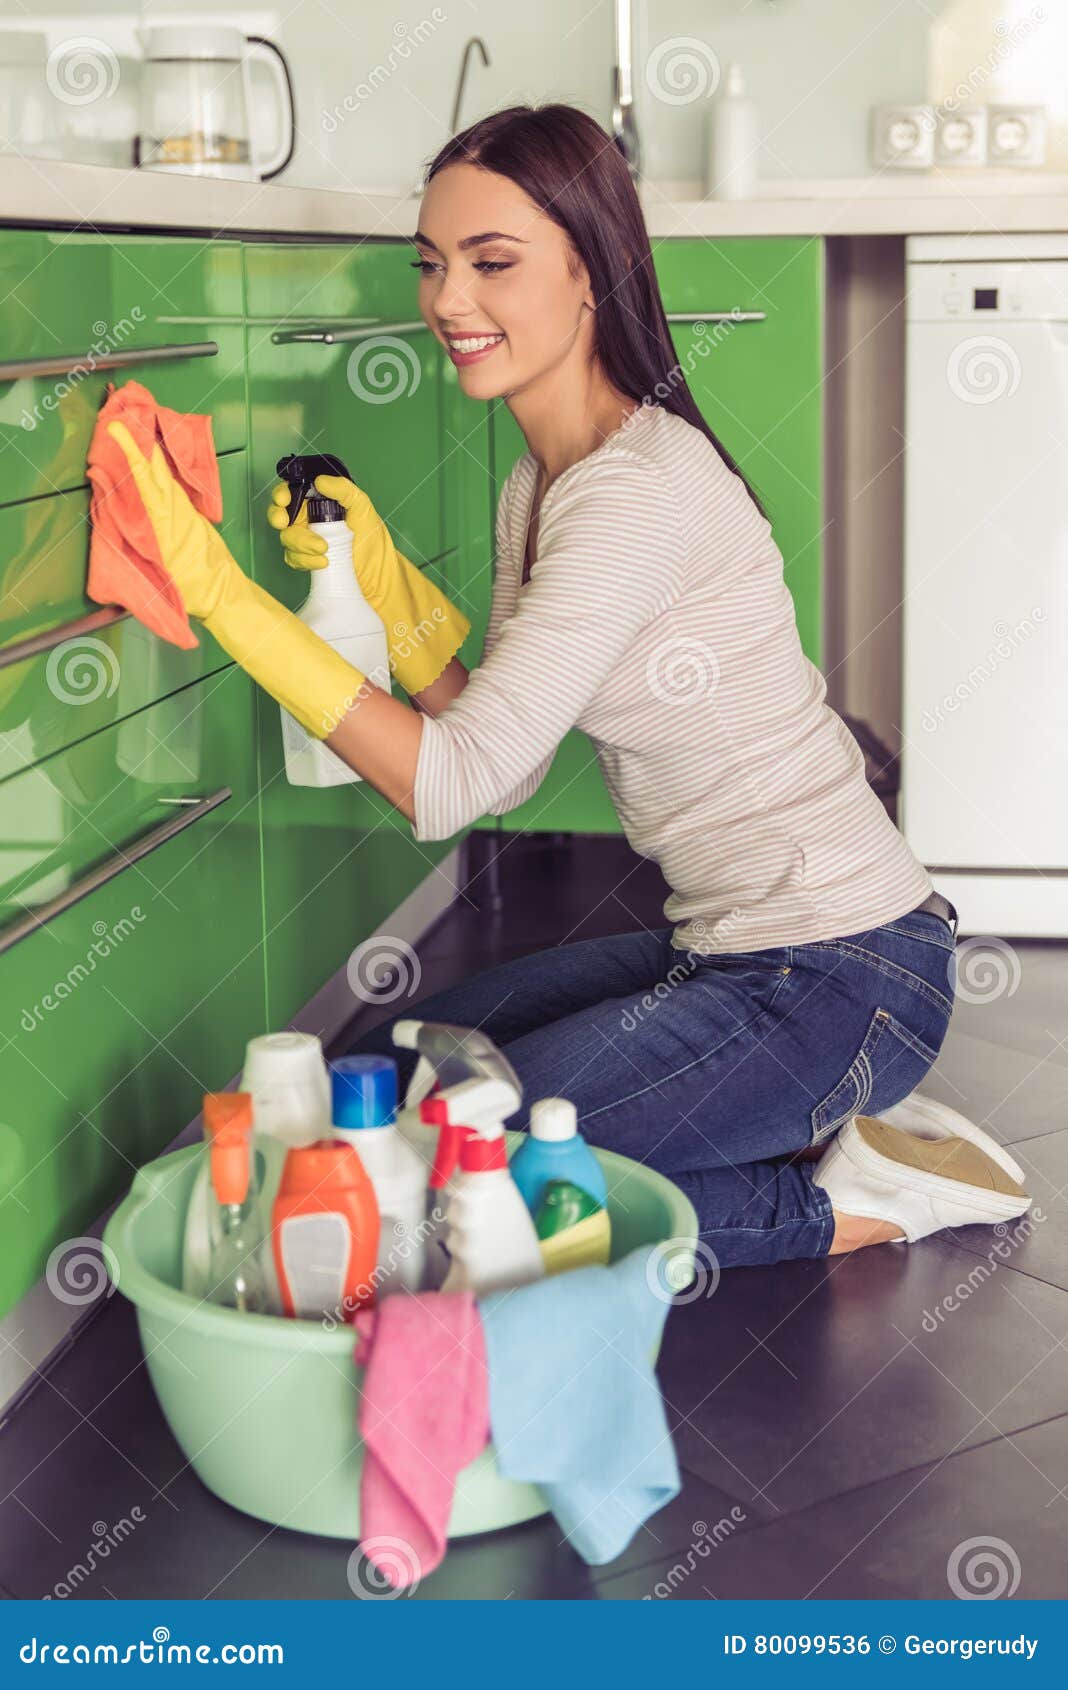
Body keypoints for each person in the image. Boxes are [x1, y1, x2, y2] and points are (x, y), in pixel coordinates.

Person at [117, 104, 1030, 1267]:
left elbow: (449, 786)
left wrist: (219, 593)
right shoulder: (542, 487)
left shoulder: (633, 492)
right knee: (417, 1070)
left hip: (843, 973)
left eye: (494, 263)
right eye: (434, 265)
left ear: (592, 271)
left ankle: (857, 1199)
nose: (450, 302)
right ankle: (786, 1121)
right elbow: (510, 752)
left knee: (469, 1160)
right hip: (737, 955)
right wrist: (388, 590)